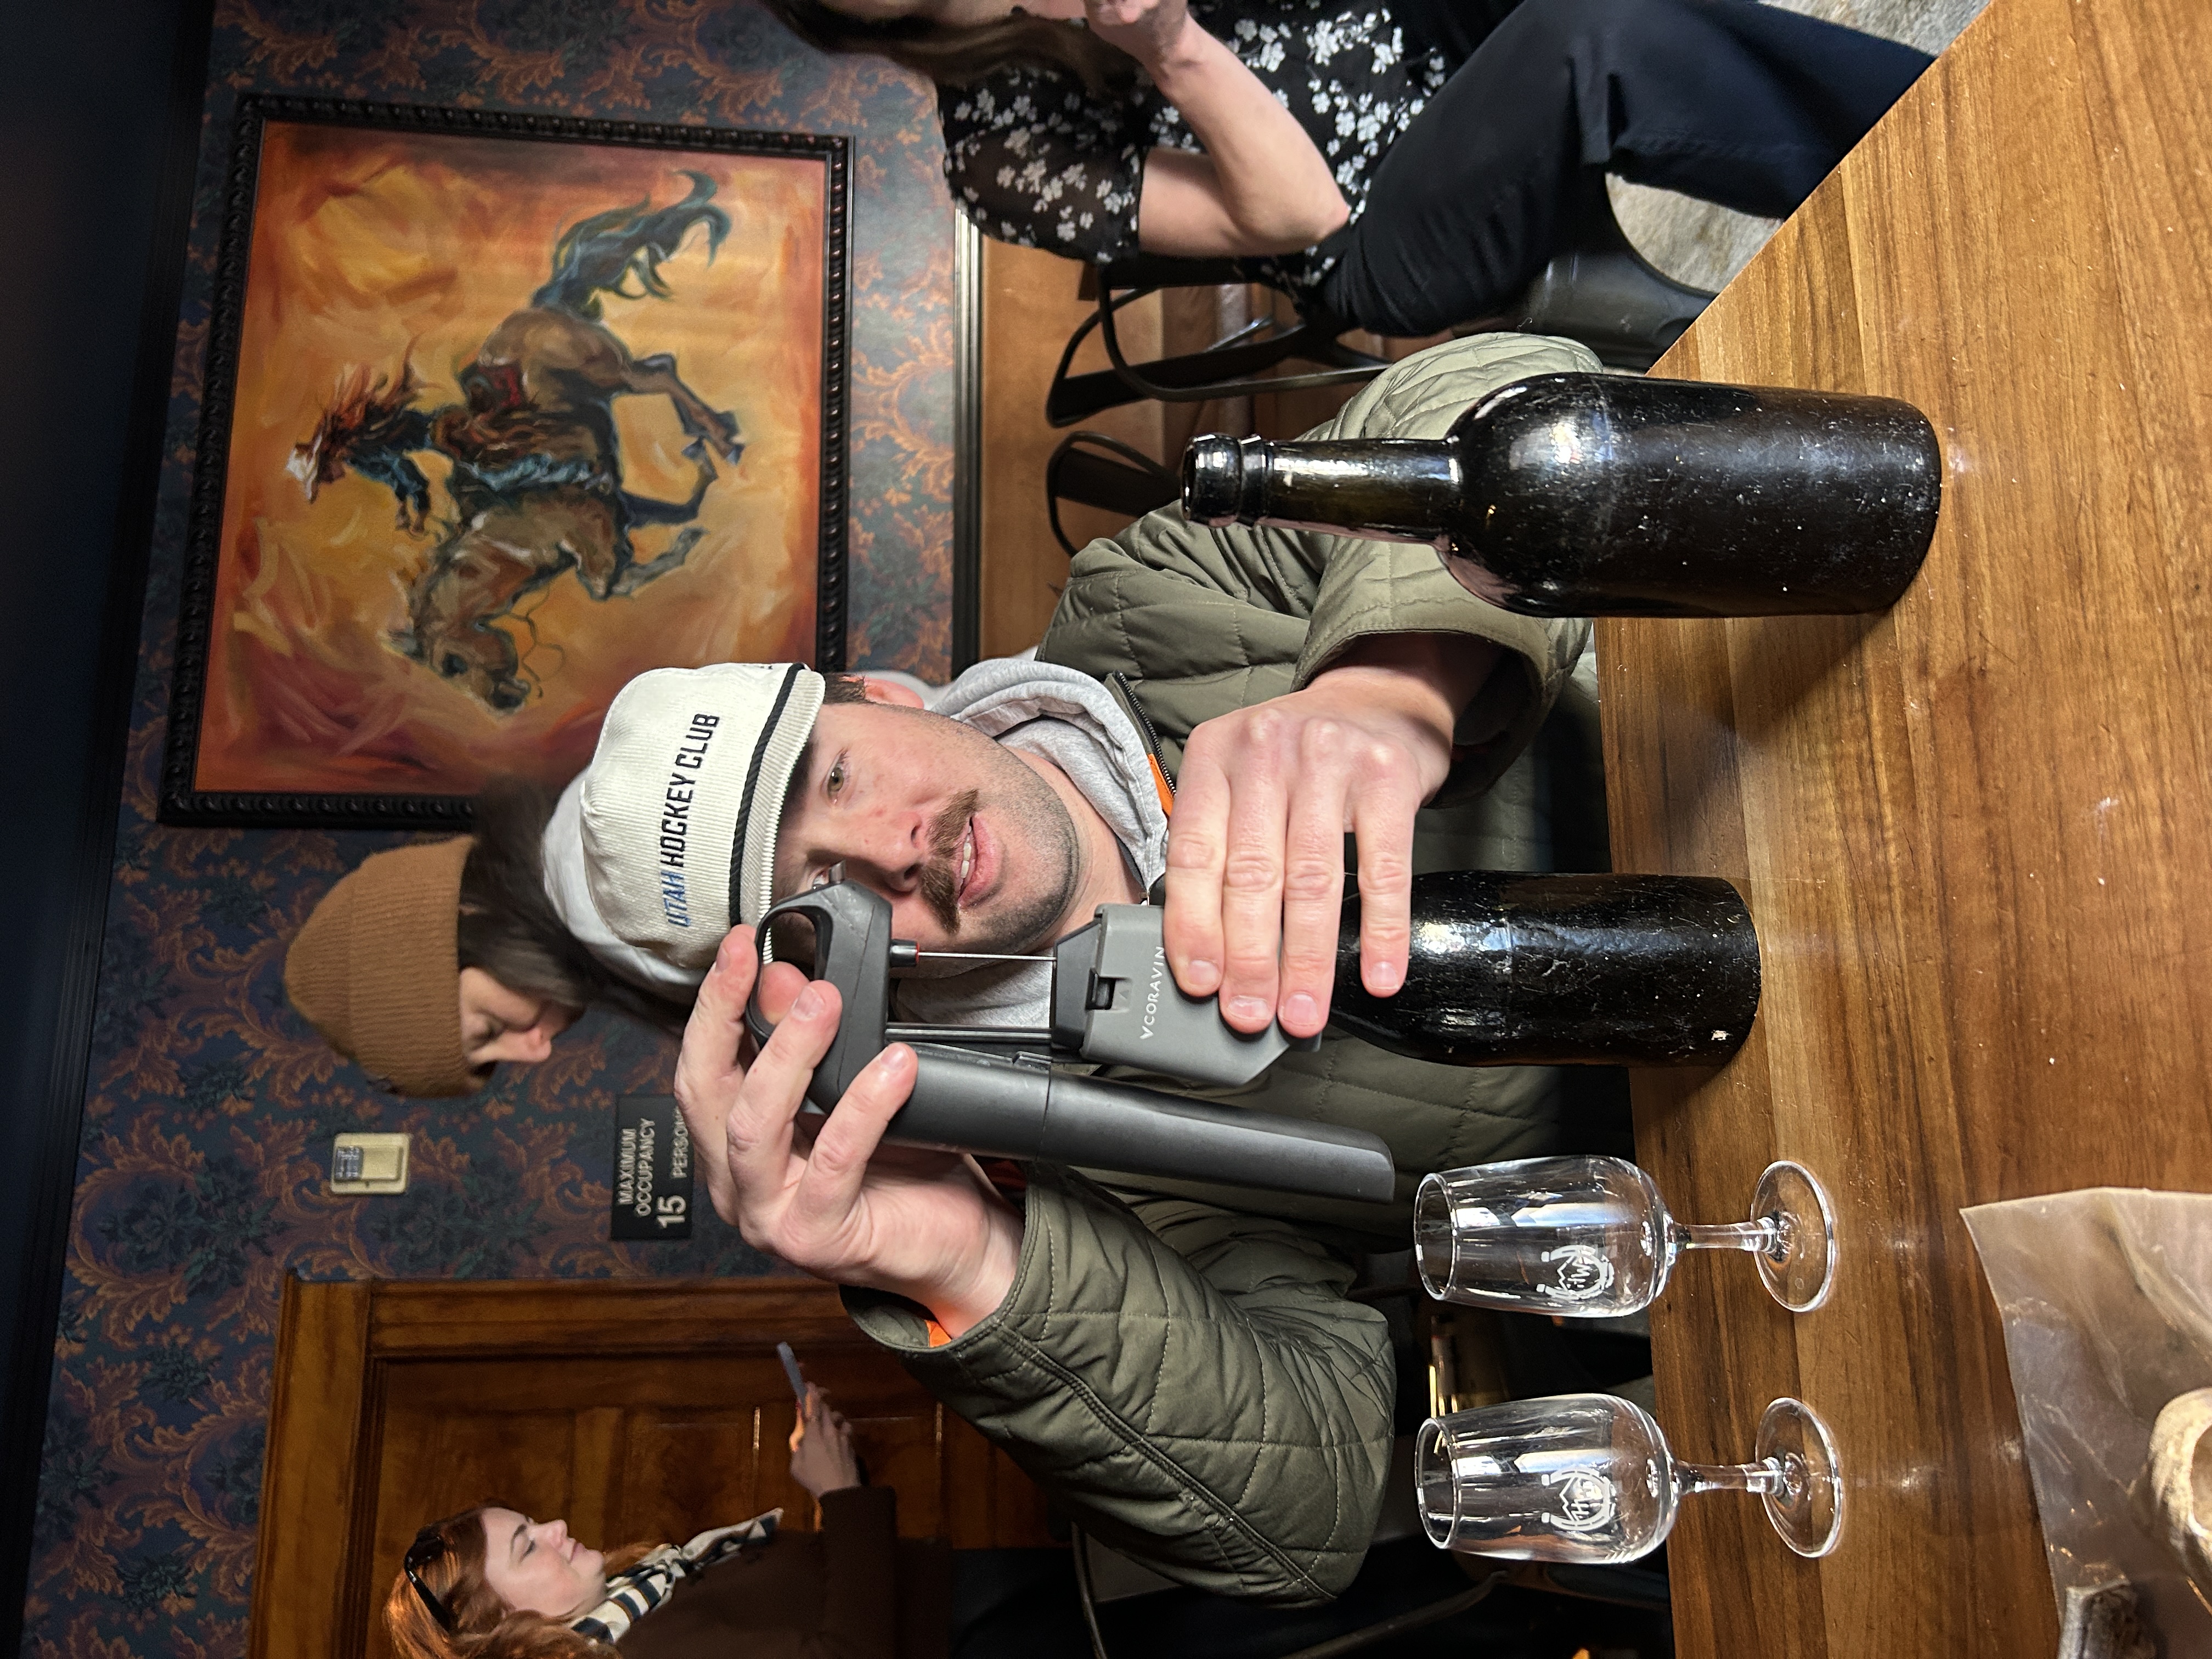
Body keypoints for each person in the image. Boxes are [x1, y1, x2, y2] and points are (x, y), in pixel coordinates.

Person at [760, 0, 1933, 336]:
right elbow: (1297, 216)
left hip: (1424, 39)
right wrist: (1168, 45)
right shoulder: (999, 151)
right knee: (1592, 35)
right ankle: (1925, 157)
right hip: (1373, 223)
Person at [386, 1385, 955, 1658]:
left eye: (532, 1524)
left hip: (966, 1603)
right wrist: (841, 1494)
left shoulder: (640, 1592)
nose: (555, 1527)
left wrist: (837, 1478)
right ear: (504, 1621)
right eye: (527, 1546)